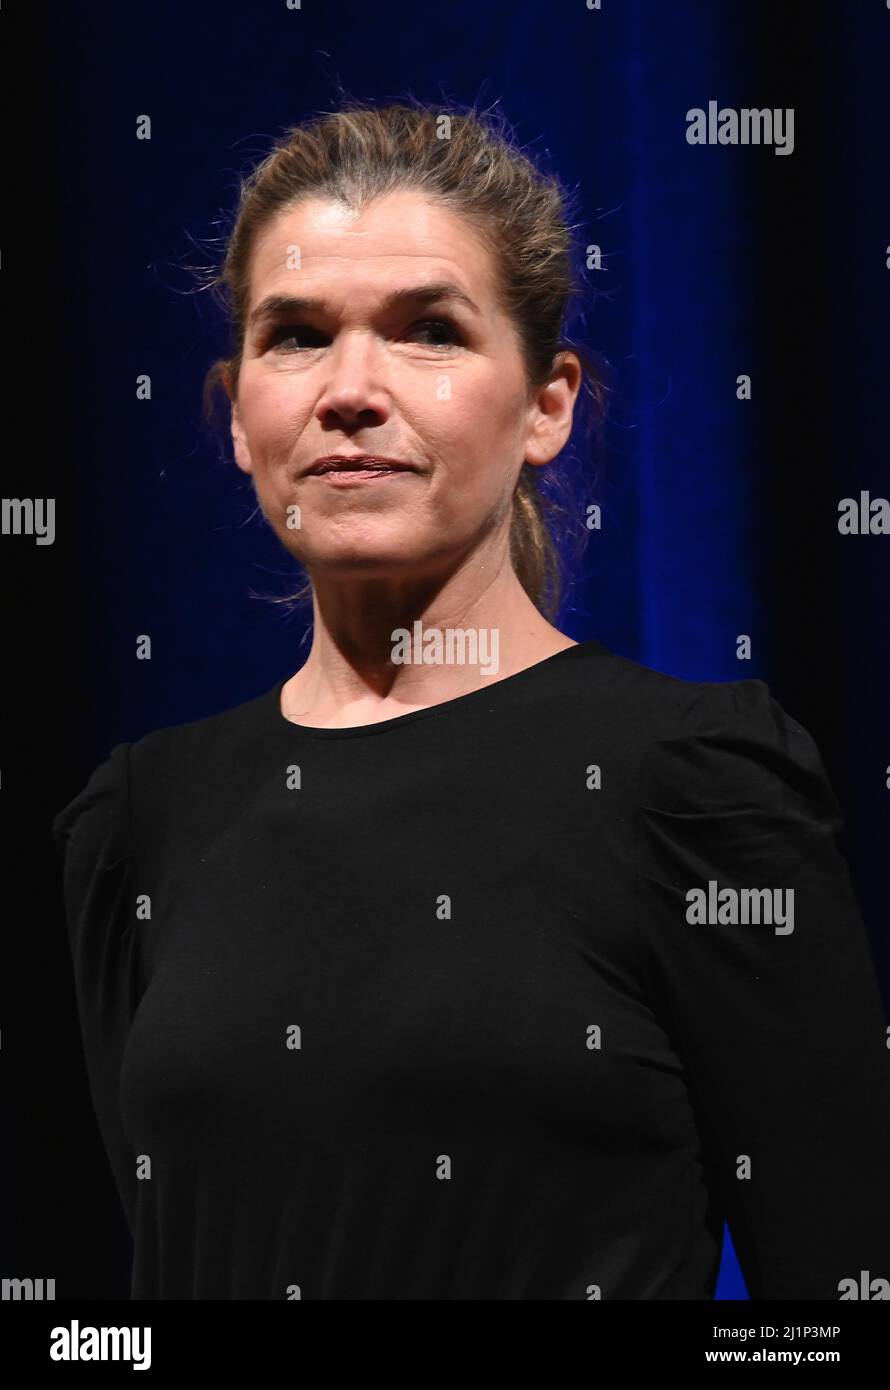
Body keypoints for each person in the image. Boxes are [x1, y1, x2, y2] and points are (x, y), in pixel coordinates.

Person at [52, 100, 890, 1300]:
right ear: (238, 414)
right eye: (295, 336)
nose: (351, 389)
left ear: (546, 403)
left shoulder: (690, 787)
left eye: (427, 331)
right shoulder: (137, 821)